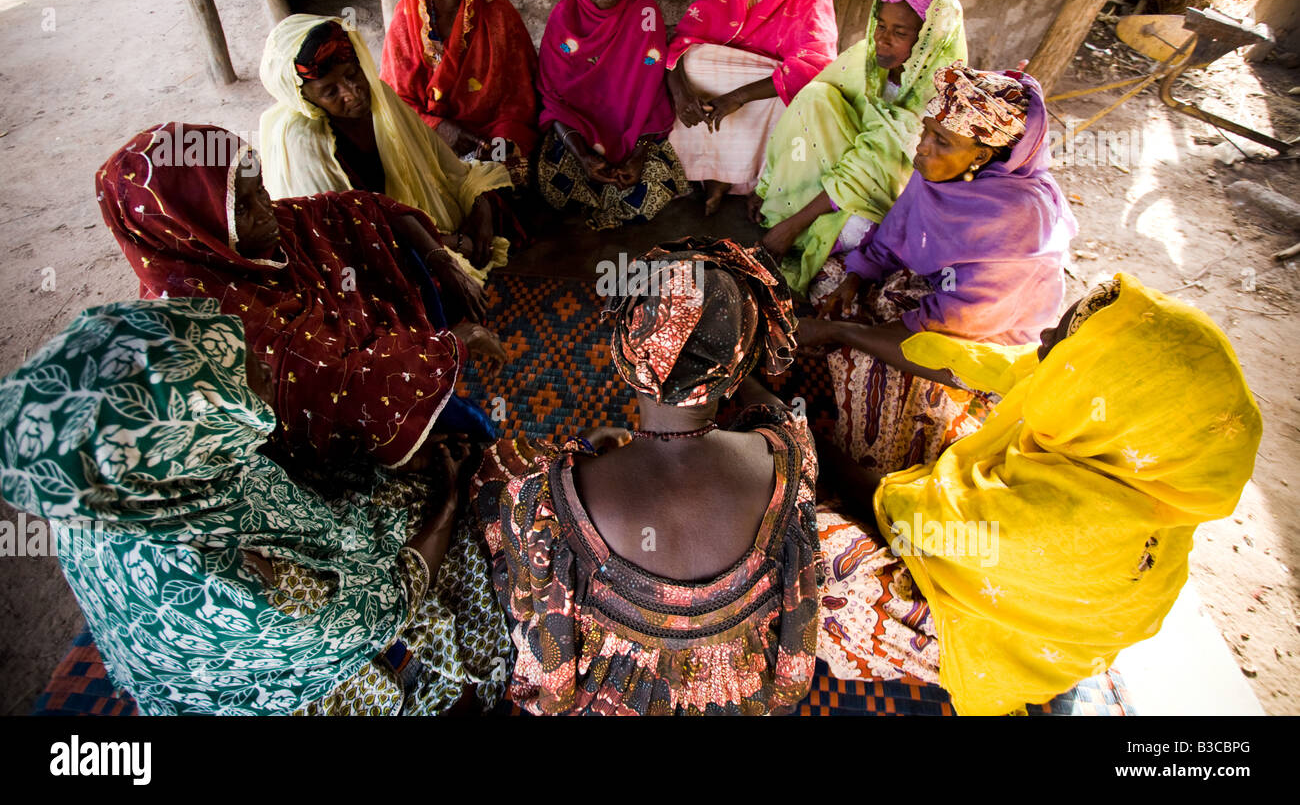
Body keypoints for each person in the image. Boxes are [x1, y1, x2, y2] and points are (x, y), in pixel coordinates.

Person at [0, 298, 512, 715]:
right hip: (267, 681)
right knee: (456, 582)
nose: (267, 367)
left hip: (213, 644)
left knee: (384, 483)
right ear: (188, 430)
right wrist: (444, 509)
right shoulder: (221, 578)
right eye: (243, 376)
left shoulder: (105, 490)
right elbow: (375, 608)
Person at [864, 274, 1262, 715]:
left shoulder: (1068, 527)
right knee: (898, 382)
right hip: (1007, 560)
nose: (1045, 334)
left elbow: (915, 522)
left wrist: (806, 448)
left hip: (993, 642)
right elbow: (995, 365)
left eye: (1060, 343)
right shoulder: (1140, 451)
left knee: (821, 556)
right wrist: (844, 334)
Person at [470, 238, 820, 714]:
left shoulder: (543, 497)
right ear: (737, 373)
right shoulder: (791, 459)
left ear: (624, 355)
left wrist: (588, 445)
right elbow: (775, 413)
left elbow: (539, 636)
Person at [95, 123, 511, 472]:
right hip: (328, 454)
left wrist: (442, 260)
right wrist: (455, 343)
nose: (266, 210)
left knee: (390, 250)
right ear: (192, 228)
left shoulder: (251, 236)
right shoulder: (206, 325)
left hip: (363, 355)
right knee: (468, 451)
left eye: (261, 189)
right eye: (242, 206)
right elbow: (337, 391)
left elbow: (357, 208)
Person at [798, 66, 1077, 472]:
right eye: (926, 131)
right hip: (937, 292)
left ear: (981, 156)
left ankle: (863, 475)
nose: (922, 148)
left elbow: (949, 335)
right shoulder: (942, 172)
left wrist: (844, 332)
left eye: (941, 141)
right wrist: (856, 278)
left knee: (881, 383)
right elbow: (894, 235)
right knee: (833, 280)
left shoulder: (1018, 227)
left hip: (979, 344)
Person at [753, 0, 967, 294]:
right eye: (881, 25)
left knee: (850, 230)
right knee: (815, 97)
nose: (882, 39)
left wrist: (792, 226)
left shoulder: (937, 96)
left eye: (900, 33)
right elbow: (800, 120)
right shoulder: (864, 60)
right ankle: (795, 219)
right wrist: (767, 185)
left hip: (883, 193)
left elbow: (873, 166)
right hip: (846, 169)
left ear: (929, 39)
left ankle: (809, 235)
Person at [260, 13, 512, 274]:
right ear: (305, 98)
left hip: (416, 229)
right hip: (372, 253)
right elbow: (348, 241)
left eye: (352, 74)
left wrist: (480, 208)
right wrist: (447, 245)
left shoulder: (381, 100)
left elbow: (446, 167)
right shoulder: (303, 141)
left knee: (503, 207)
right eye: (330, 92)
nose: (352, 92)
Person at [666, 0, 837, 215]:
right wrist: (680, 93)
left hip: (767, 82)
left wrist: (738, 97)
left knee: (793, 93)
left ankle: (759, 181)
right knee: (693, 63)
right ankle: (712, 172)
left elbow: (815, 66)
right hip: (738, 72)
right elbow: (683, 41)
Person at [536, 0, 688, 230]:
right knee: (554, 186)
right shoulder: (562, 20)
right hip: (582, 134)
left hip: (637, 133)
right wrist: (583, 156)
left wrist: (639, 153)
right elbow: (553, 101)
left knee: (652, 190)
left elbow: (651, 89)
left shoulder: (644, 12)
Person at [381, 0, 539, 189]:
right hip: (431, 134)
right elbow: (396, 103)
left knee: (507, 175)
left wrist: (501, 140)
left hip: (491, 129)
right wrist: (440, 129)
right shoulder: (406, 26)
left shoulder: (495, 10)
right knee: (422, 184)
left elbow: (519, 92)